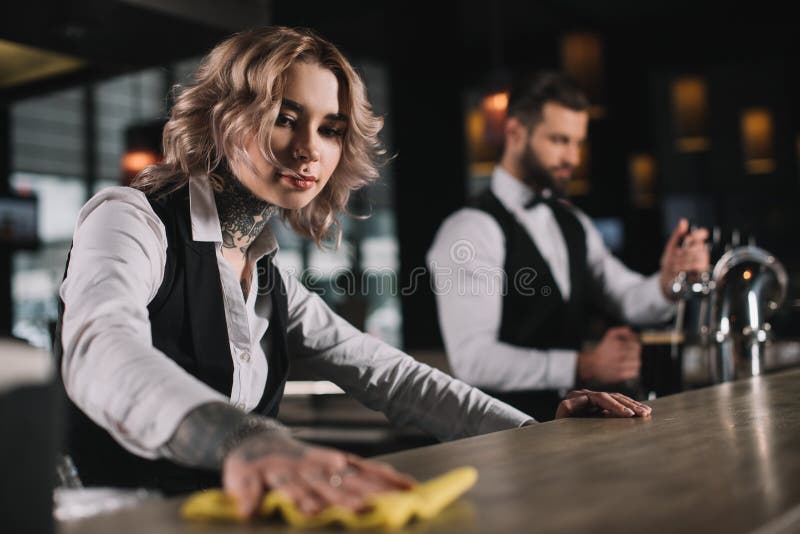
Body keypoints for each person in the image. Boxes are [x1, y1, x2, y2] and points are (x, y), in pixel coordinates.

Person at [56, 31, 651, 518]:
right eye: (285, 118)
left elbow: (394, 378)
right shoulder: (131, 219)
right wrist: (247, 442)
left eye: (330, 129)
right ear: (226, 117)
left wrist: (533, 432)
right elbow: (101, 349)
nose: (309, 149)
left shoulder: (269, 279)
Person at [427, 71, 709, 422]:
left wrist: (668, 282)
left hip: (568, 431)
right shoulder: (469, 229)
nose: (573, 158)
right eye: (560, 140)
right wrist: (585, 364)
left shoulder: (573, 221)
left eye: (577, 143)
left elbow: (627, 297)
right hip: (500, 436)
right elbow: (474, 361)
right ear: (515, 132)